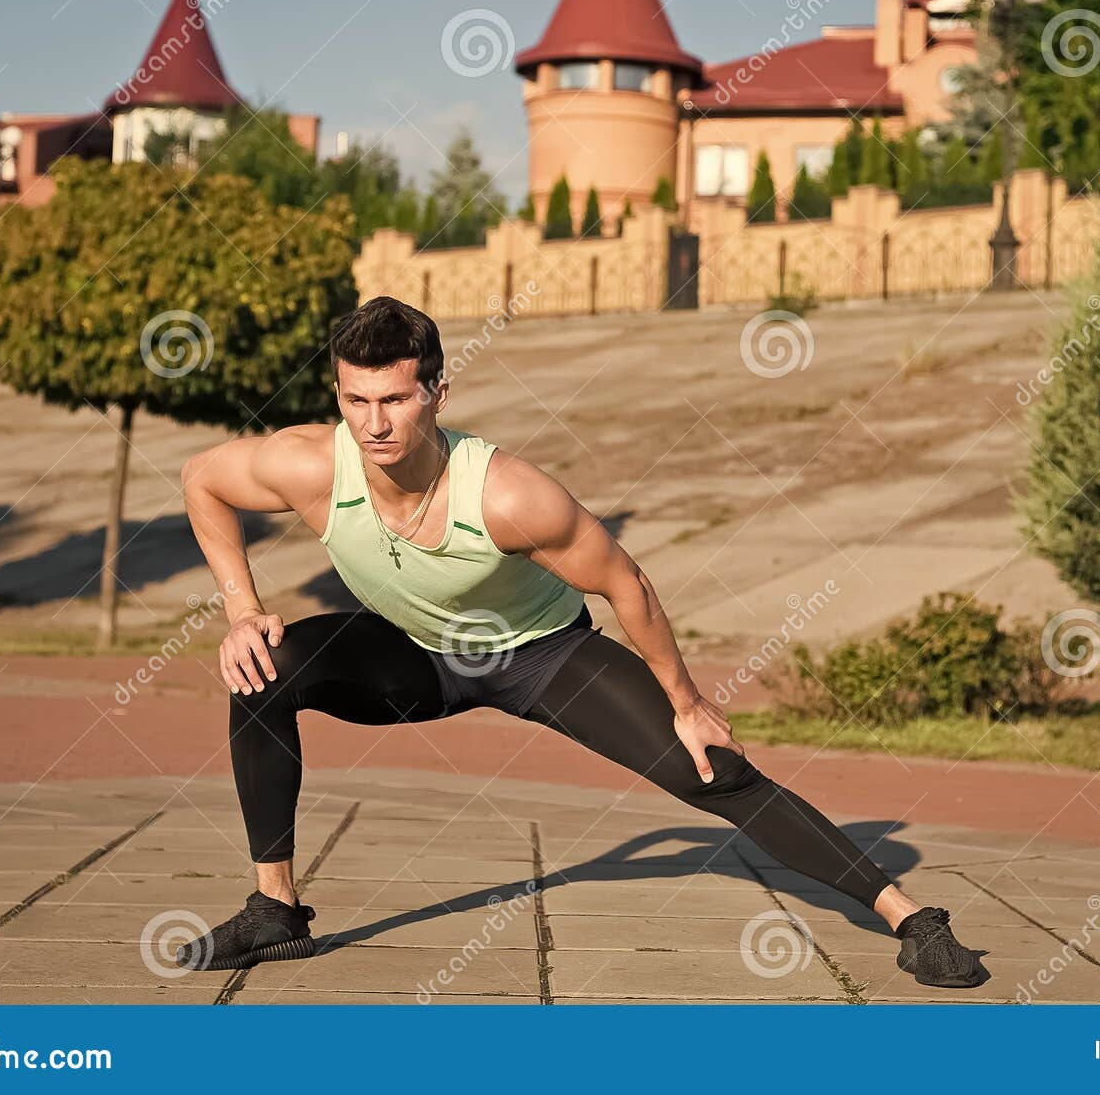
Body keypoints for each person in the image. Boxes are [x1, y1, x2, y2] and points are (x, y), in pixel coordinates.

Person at [176, 295, 984, 988]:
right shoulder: (311, 464)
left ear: (437, 393)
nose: (375, 423)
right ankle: (274, 909)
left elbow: (625, 581)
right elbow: (202, 479)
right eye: (357, 400)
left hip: (541, 655)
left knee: (711, 769)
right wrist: (243, 608)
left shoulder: (507, 493)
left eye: (395, 399)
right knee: (263, 666)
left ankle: (908, 916)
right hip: (416, 653)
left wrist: (690, 702)